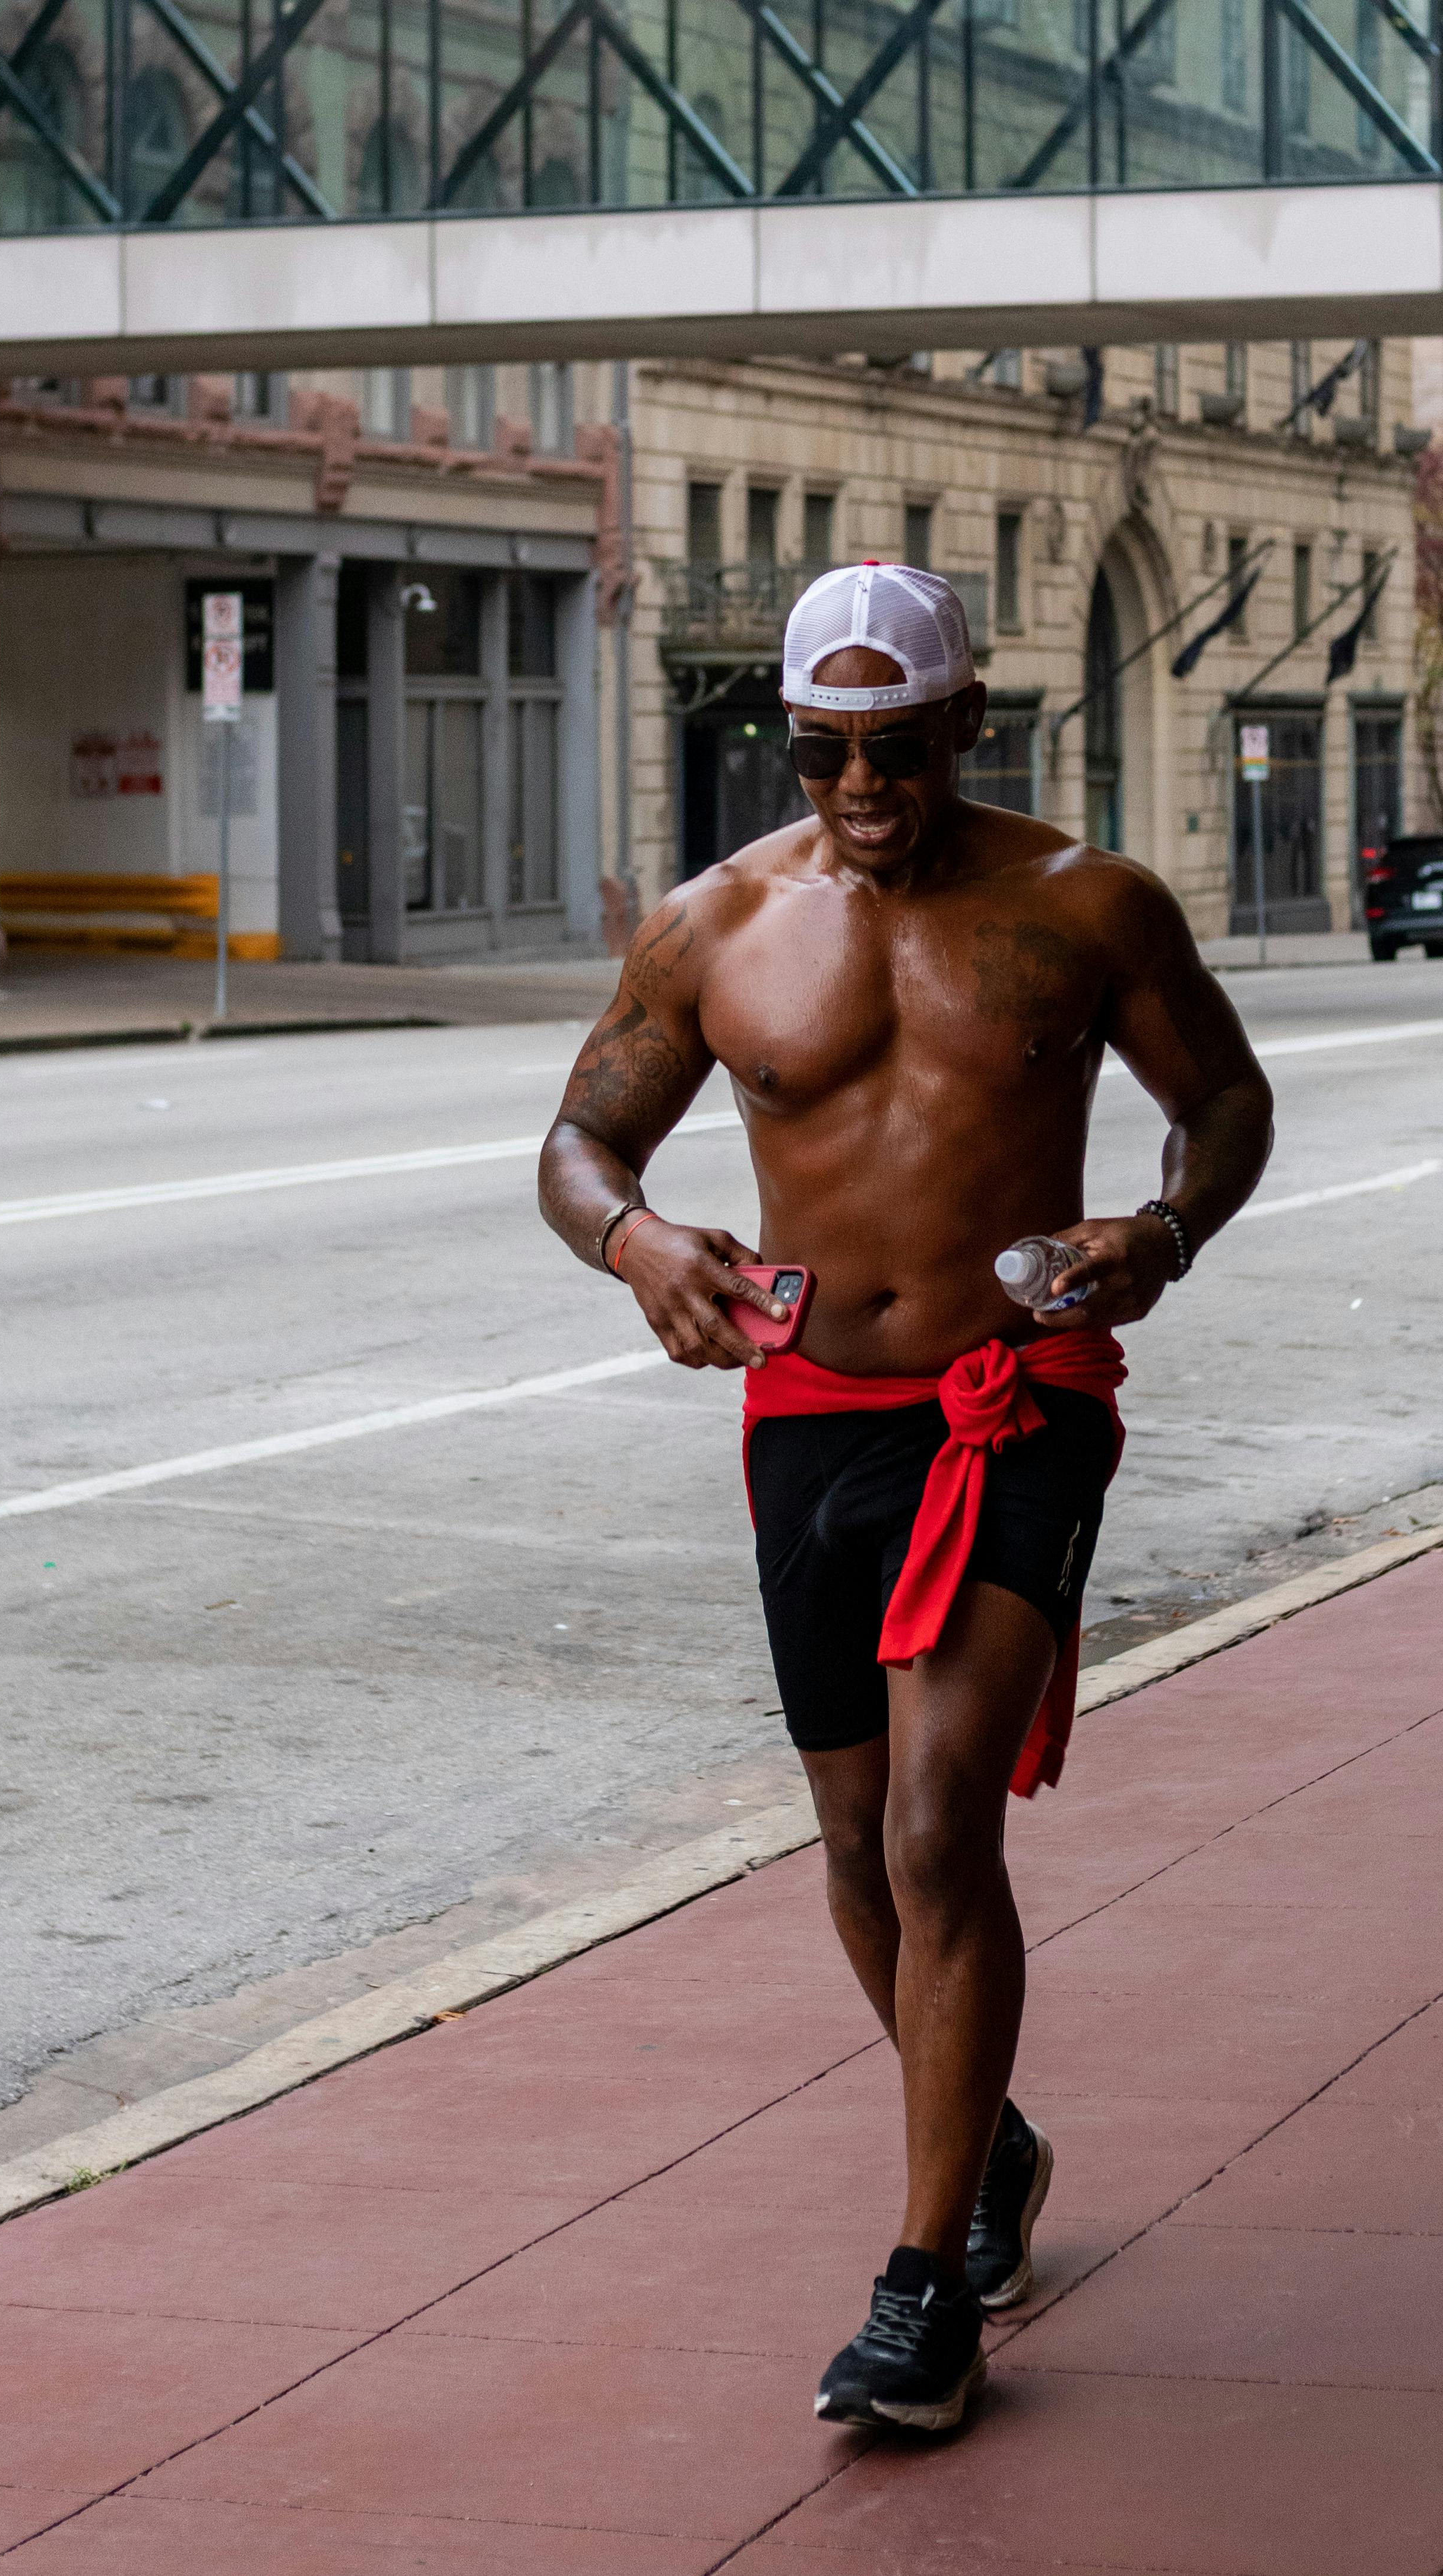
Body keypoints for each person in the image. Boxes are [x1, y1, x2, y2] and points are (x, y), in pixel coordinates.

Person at [539, 562, 1273, 2435]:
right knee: (858, 1846)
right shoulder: (717, 923)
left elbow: (1226, 1098)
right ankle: (990, 2149)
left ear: (966, 724)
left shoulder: (1080, 906)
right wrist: (636, 1244)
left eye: (895, 746)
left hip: (1012, 1397)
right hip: (803, 1415)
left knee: (943, 1830)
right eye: (820, 750)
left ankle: (922, 2279)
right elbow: (577, 1138)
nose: (860, 785)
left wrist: (1161, 1228)